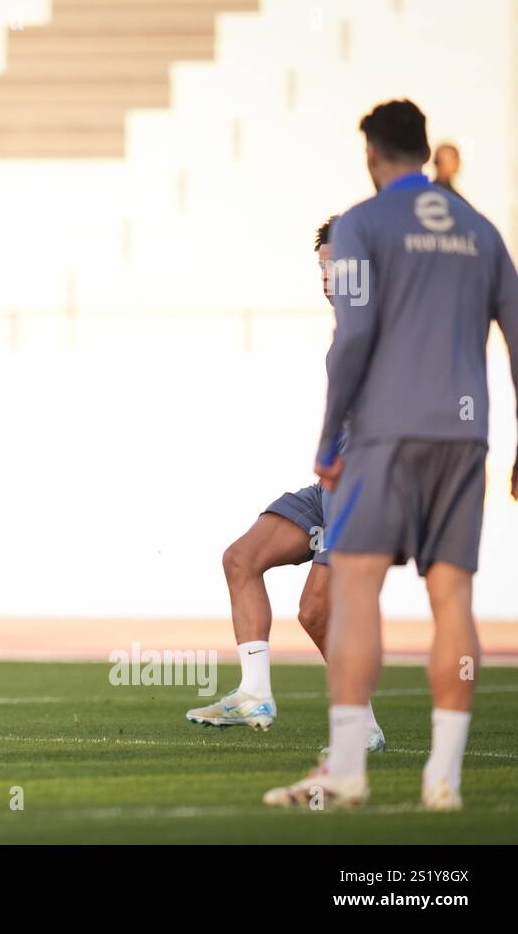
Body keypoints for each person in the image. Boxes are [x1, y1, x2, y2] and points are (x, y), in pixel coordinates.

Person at [265, 99, 518, 810]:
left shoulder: (362, 225)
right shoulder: (482, 230)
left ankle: (347, 768)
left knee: (355, 590)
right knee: (453, 600)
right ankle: (444, 778)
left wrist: (327, 441)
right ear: (425, 148)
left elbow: (352, 339)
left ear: (373, 156)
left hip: (384, 433)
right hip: (465, 436)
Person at [187, 217, 384, 753]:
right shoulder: (349, 324)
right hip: (332, 484)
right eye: (320, 266)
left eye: (335, 264)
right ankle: (254, 694)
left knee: (316, 611)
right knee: (240, 559)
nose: (326, 276)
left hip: (366, 486)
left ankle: (362, 724)